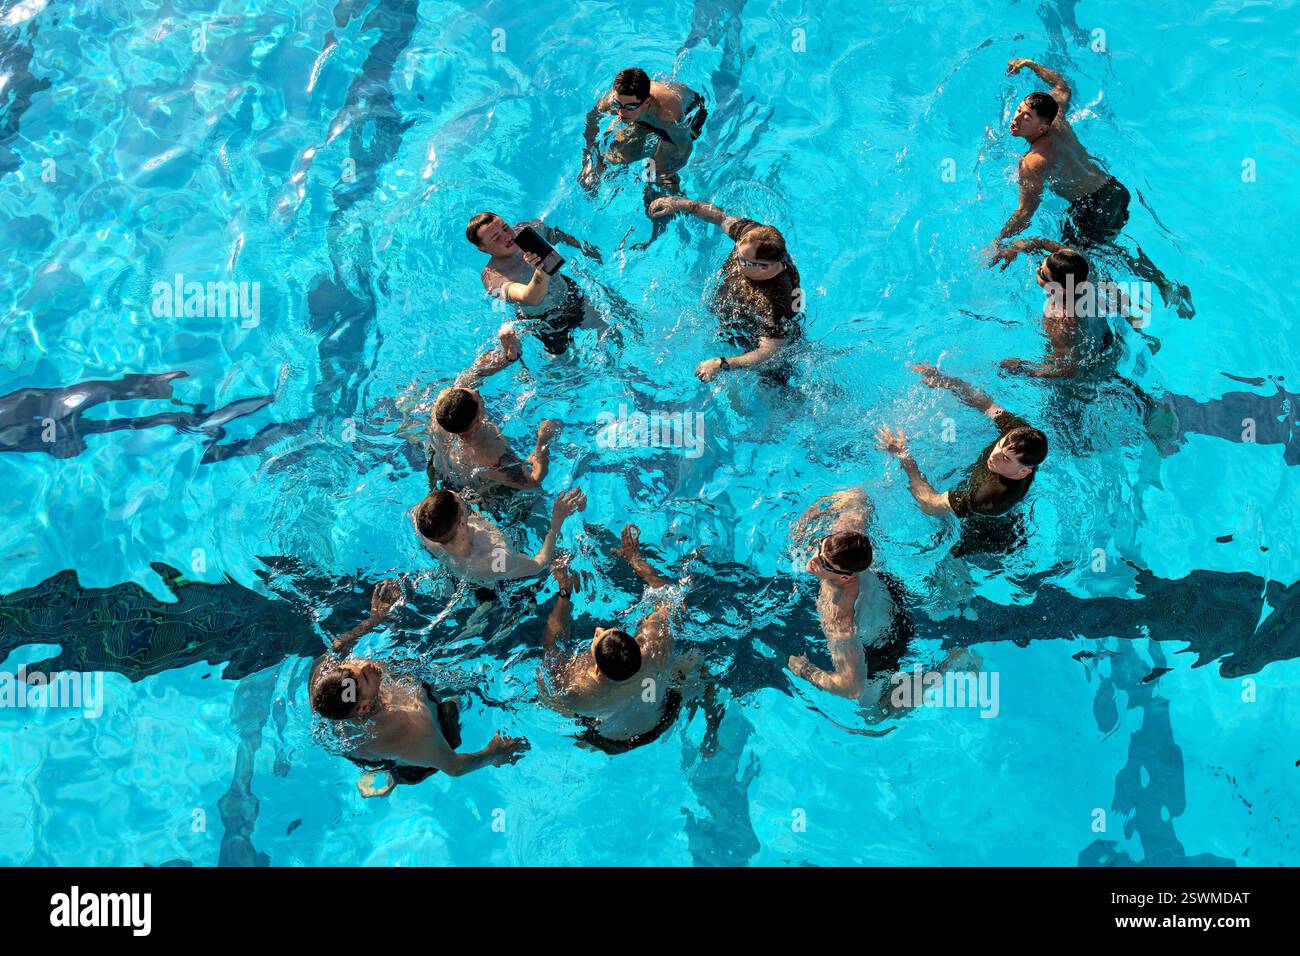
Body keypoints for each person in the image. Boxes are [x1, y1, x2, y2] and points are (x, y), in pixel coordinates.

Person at [992, 58, 1192, 317]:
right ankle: (1166, 287)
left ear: (1042, 127)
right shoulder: (1057, 117)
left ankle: (1137, 322)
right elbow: (1062, 85)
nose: (1016, 119)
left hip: (1092, 208)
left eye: (1026, 117)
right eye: (1019, 110)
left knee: (1083, 270)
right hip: (1114, 191)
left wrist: (999, 240)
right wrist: (1031, 65)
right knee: (1110, 249)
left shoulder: (1033, 161)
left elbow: (1024, 213)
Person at [308, 579, 529, 796]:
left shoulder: (326, 681)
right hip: (409, 753)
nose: (365, 664)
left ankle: (387, 771)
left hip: (369, 750)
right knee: (453, 702)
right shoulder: (409, 730)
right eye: (366, 677)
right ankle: (396, 777)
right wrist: (493, 754)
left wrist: (376, 618)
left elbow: (338, 647)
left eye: (354, 665)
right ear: (364, 708)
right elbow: (455, 767)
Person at [537, 527, 690, 753]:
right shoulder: (653, 651)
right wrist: (636, 560)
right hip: (663, 718)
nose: (598, 629)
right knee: (692, 663)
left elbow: (551, 645)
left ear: (597, 669)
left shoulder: (579, 688)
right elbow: (672, 598)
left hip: (614, 741)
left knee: (548, 693)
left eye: (598, 636)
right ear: (637, 645)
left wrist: (564, 593)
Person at [876, 363, 1047, 559]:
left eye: (1006, 459)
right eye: (1000, 446)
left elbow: (931, 505)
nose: (995, 455)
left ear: (1024, 472)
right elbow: (986, 404)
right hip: (999, 506)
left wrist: (904, 456)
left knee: (947, 559)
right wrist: (948, 382)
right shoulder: (1018, 435)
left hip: (985, 532)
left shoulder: (989, 496)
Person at [647, 196, 803, 383]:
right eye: (737, 250)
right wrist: (681, 204)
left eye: (743, 260)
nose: (736, 258)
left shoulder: (777, 303)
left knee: (769, 389)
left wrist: (723, 364)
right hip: (730, 313)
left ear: (765, 266)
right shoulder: (753, 236)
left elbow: (770, 352)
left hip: (752, 338)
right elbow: (721, 217)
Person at [785, 489, 916, 708]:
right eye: (821, 547)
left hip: (882, 646)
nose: (814, 560)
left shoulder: (838, 614)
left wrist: (806, 670)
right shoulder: (847, 543)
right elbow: (858, 496)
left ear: (845, 577)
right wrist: (808, 517)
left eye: (825, 564)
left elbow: (852, 688)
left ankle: (945, 670)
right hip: (887, 595)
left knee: (872, 715)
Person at [428, 325, 559, 492]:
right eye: (479, 399)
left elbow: (476, 373)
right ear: (477, 422)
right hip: (474, 488)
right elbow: (532, 481)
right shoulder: (490, 450)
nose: (476, 390)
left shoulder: (444, 406)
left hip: (443, 466)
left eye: (470, 391)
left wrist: (508, 357)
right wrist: (543, 442)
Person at [466, 212, 601, 356]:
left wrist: (582, 247)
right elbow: (531, 298)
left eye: (505, 228)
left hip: (569, 295)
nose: (507, 236)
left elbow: (556, 235)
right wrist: (541, 269)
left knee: (607, 330)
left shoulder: (528, 231)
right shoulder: (493, 277)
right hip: (544, 322)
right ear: (483, 249)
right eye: (496, 238)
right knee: (565, 361)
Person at [988, 239, 1116, 378]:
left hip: (1089, 372)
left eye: (1043, 274)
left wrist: (1022, 368)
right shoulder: (1083, 273)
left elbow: (1067, 369)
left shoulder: (1062, 321)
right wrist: (1016, 248)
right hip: (1106, 343)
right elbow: (1051, 246)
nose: (1037, 269)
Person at [412, 486, 586, 585]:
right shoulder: (495, 559)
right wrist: (556, 523)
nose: (459, 495)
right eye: (461, 502)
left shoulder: (426, 529)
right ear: (462, 523)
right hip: (501, 585)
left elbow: (417, 512)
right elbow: (539, 564)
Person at [580, 68, 708, 193]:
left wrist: (668, 170)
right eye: (617, 104)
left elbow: (684, 147)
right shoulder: (613, 102)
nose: (620, 112)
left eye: (629, 106)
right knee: (615, 156)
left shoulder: (667, 111)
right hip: (643, 118)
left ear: (646, 103)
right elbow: (591, 120)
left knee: (656, 174)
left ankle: (674, 198)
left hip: (690, 115)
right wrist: (590, 155)